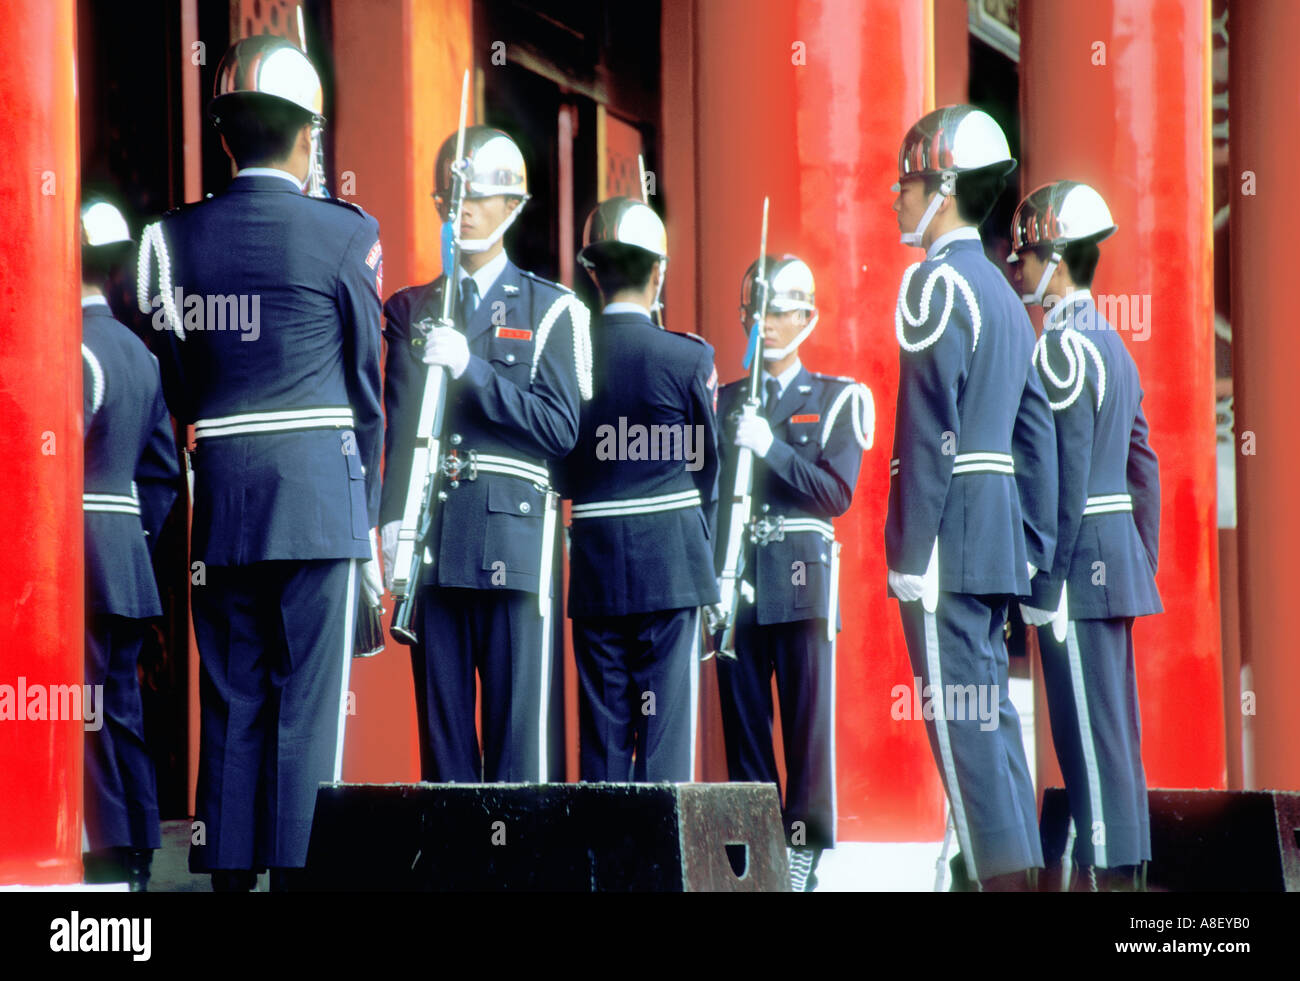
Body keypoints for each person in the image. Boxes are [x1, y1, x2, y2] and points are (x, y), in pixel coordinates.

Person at [138, 35, 384, 891]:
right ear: (307, 137)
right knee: (307, 703)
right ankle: (301, 872)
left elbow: (177, 378)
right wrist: (371, 508)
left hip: (228, 499)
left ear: (224, 137)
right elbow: (365, 388)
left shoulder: (171, 240)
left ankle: (232, 878)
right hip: (320, 492)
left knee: (232, 697)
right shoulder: (347, 235)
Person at [885, 104, 1058, 891]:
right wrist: (1035, 550)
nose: (898, 197)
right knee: (994, 728)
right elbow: (1035, 443)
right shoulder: (1004, 296)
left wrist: (909, 550)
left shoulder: (934, 285)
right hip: (995, 542)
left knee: (962, 735)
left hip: (947, 541)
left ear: (944, 189)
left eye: (910, 183)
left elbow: (929, 431)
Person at [380, 126, 587, 784]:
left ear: (514, 207)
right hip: (437, 534)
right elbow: (399, 428)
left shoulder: (552, 310)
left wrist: (473, 370)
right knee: (443, 748)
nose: (462, 208)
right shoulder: (410, 310)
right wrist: (390, 524)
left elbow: (560, 429)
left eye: (478, 195)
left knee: (516, 742)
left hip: (514, 541)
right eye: (452, 195)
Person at [1010, 180, 1161, 891]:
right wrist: (1140, 558)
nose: (1019, 269)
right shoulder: (1116, 346)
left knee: (1088, 743)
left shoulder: (1060, 350)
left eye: (1028, 257)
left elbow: (1058, 484)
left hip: (1076, 569)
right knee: (1115, 737)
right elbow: (1143, 465)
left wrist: (1047, 581)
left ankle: (1106, 883)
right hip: (1114, 560)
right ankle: (1126, 880)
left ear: (1058, 261)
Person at [714, 254, 872, 892]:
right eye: (757, 310)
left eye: (779, 311)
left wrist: (770, 448)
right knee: (744, 721)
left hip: (803, 578)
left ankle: (804, 843)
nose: (766, 323)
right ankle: (756, 842)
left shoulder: (836, 398)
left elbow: (835, 493)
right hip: (740, 577)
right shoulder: (726, 399)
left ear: (806, 316)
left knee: (807, 725)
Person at [558, 196, 719, 783]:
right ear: (658, 272)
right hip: (671, 560)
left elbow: (561, 465)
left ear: (594, 274)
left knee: (603, 733)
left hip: (598, 560)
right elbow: (706, 464)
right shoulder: (686, 355)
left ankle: (606, 869)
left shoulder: (568, 356)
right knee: (664, 733)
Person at [80, 198, 180, 891]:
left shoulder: (70, 350)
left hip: (76, 556)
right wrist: (130, 540)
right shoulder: (142, 355)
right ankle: (141, 847)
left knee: (81, 707)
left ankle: (108, 856)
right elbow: (164, 473)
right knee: (122, 709)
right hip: (123, 556)